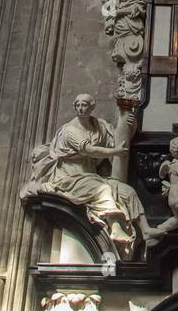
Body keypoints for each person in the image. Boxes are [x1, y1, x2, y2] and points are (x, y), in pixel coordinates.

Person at [21, 93, 162, 257]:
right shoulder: (70, 130)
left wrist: (129, 124)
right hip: (68, 179)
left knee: (126, 191)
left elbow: (117, 140)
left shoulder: (98, 125)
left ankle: (146, 230)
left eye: (84, 105)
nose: (81, 108)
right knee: (102, 190)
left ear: (92, 106)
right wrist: (115, 152)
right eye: (78, 105)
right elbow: (89, 150)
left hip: (89, 178)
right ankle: (115, 226)